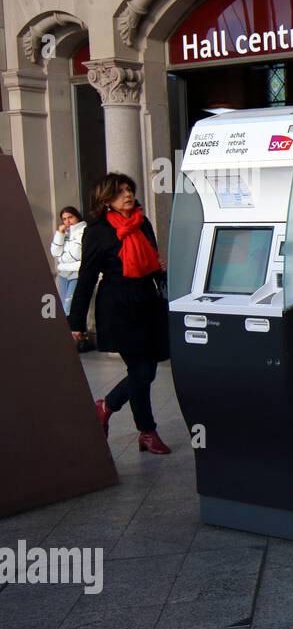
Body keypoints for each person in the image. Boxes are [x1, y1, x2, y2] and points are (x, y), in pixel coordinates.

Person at [68, 173, 172, 455]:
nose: (128, 194)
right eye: (120, 191)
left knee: (142, 371)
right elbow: (86, 277)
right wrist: (75, 322)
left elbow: (151, 259)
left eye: (129, 189)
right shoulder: (97, 230)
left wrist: (159, 267)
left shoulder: (142, 222)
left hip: (148, 303)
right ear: (106, 200)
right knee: (143, 370)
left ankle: (146, 433)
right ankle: (109, 407)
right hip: (118, 307)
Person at [50, 205, 86, 315]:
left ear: (77, 217)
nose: (67, 221)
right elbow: (55, 253)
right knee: (63, 306)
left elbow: (75, 254)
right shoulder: (65, 233)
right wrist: (59, 234)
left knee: (69, 306)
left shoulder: (84, 231)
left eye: (70, 217)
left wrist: (62, 259)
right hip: (64, 273)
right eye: (64, 219)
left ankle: (74, 330)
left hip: (77, 272)